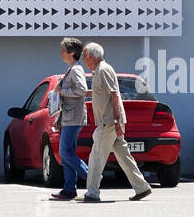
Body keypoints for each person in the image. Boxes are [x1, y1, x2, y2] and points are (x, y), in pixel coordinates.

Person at [82, 42, 152, 202]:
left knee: (96, 156)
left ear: (92, 56)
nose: (84, 60)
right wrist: (84, 93)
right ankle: (142, 187)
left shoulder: (103, 70)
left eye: (85, 56)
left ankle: (92, 192)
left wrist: (117, 120)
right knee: (124, 156)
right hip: (111, 122)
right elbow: (103, 92)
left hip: (109, 122)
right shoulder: (98, 71)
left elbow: (114, 95)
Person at [50, 37, 90, 201]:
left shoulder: (76, 70)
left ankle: (90, 175)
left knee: (64, 153)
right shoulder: (71, 69)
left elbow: (81, 90)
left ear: (72, 53)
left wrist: (62, 91)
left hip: (74, 118)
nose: (61, 53)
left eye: (64, 50)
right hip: (68, 117)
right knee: (68, 153)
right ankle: (69, 189)